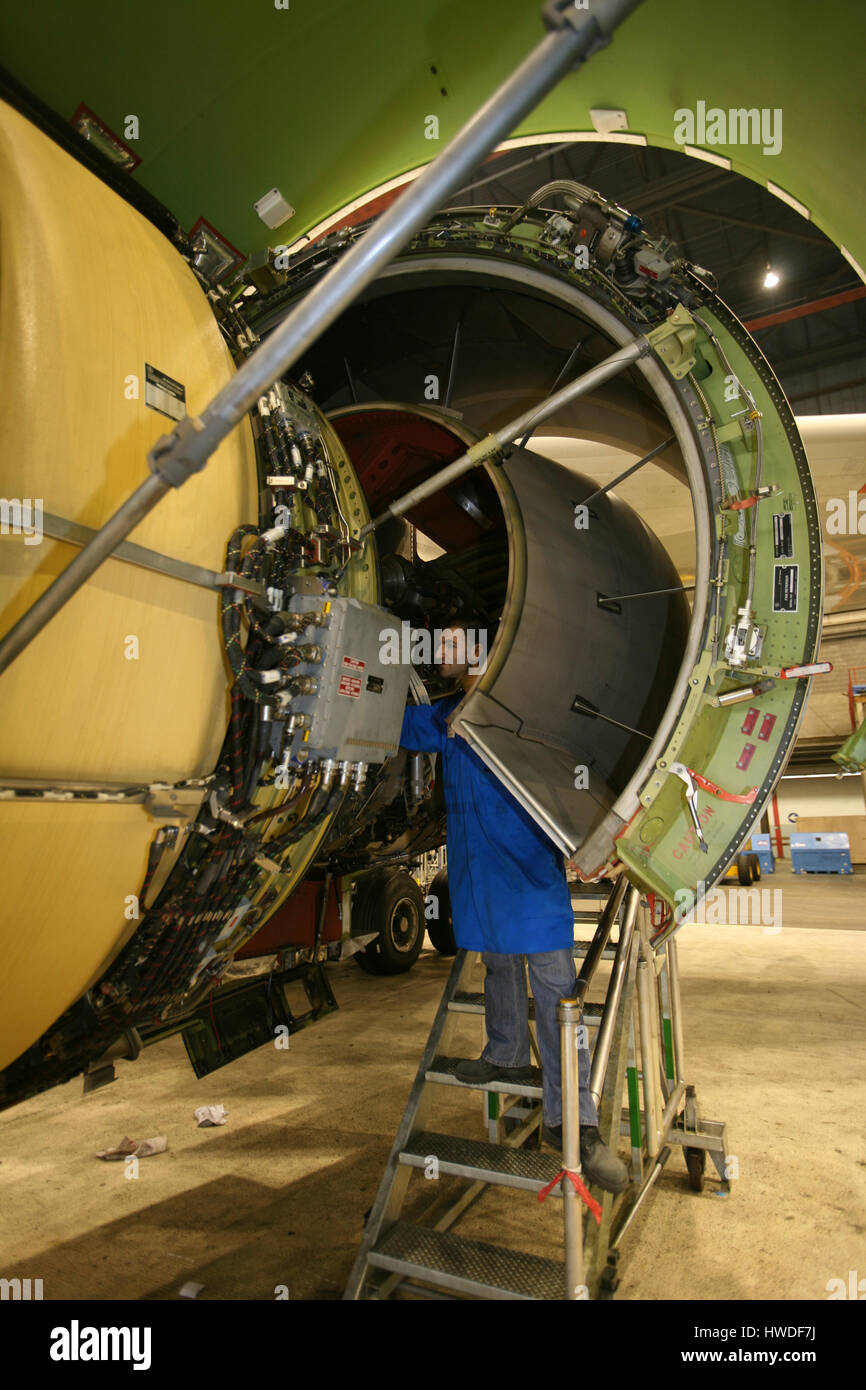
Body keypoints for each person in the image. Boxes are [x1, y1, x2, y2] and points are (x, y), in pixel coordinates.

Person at [399, 620, 629, 1194]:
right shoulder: (450, 716)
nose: (439, 652)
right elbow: (400, 728)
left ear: (480, 651)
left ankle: (574, 1120)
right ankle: (504, 1053)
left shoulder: (520, 705)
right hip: (482, 877)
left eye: (450, 643)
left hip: (528, 877)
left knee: (557, 997)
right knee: (499, 964)